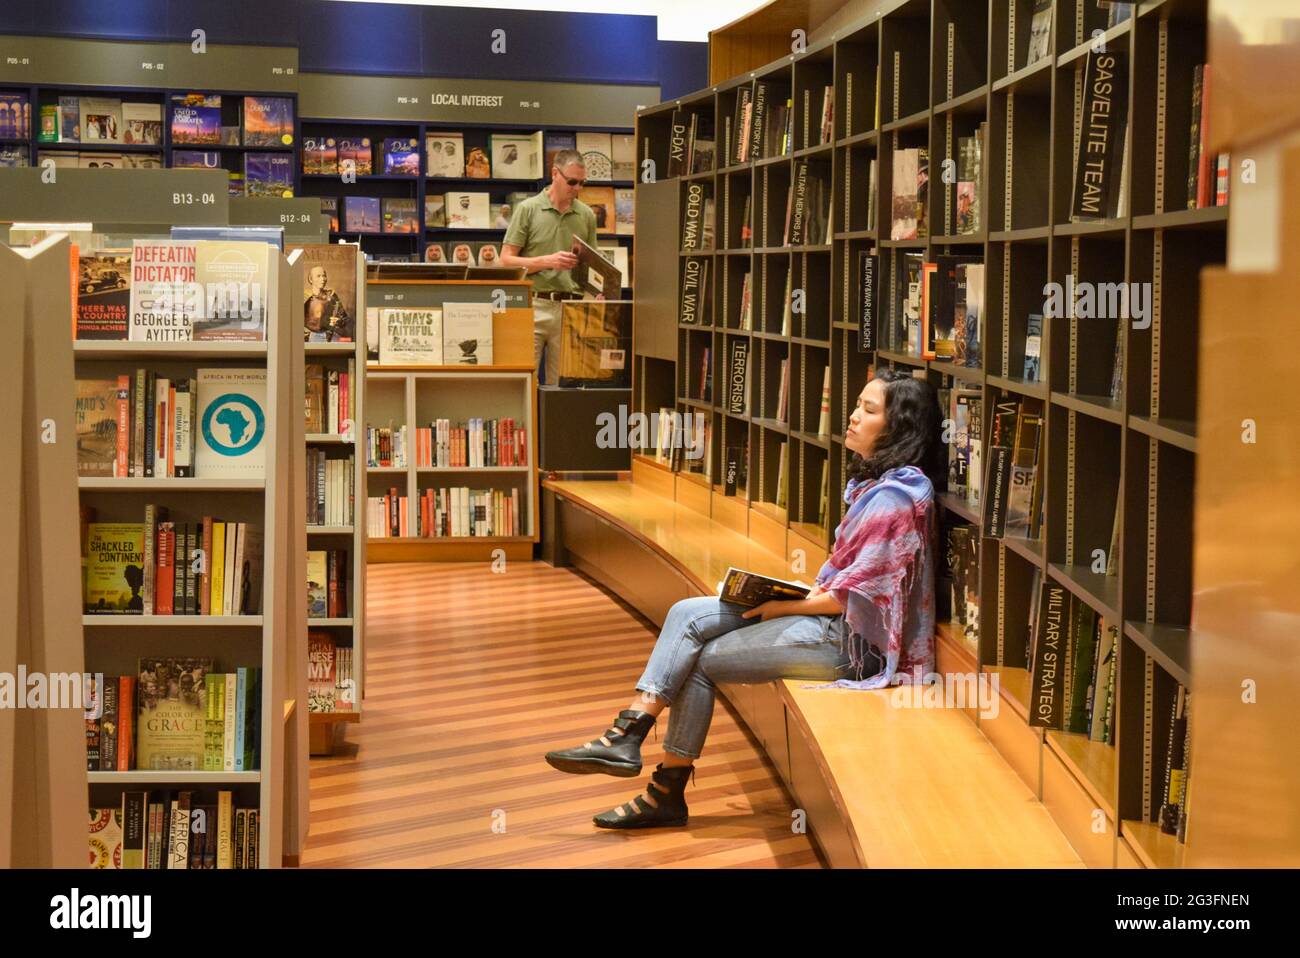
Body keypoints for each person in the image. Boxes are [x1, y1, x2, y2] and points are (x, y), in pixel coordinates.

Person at [544, 368, 945, 829]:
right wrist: (785, 595)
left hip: (853, 646)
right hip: (829, 618)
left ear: (898, 428)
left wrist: (782, 605)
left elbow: (852, 597)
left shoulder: (895, 501)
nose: (853, 416)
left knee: (701, 659)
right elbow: (846, 581)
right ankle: (628, 735)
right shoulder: (878, 487)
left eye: (868, 410)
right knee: (685, 613)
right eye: (857, 404)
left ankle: (659, 786)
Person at [500, 149, 599, 385]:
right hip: (533, 304)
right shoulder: (528, 209)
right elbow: (506, 261)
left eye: (582, 183)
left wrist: (599, 290)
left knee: (562, 387)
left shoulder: (586, 215)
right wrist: (547, 261)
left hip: (570, 308)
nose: (577, 188)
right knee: (525, 382)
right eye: (572, 182)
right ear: (555, 174)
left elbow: (593, 264)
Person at [304, 265, 353, 342]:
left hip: (330, 336)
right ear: (310, 279)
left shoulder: (331, 295)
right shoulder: (304, 297)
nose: (323, 279)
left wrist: (338, 321)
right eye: (318, 276)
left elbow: (344, 318)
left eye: (324, 276)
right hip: (311, 337)